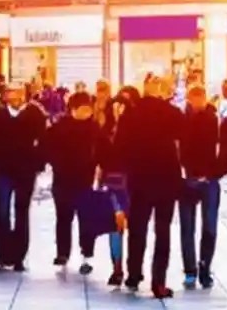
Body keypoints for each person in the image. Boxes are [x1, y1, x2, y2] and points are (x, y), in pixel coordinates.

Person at [115, 74, 184, 298]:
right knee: (162, 231)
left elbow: (120, 147)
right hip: (166, 179)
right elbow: (184, 136)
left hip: (139, 180)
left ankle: (134, 275)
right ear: (161, 90)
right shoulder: (172, 113)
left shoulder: (131, 114)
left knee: (137, 229)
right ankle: (159, 282)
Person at [0, 80, 47, 272]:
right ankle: (2, 253)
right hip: (2, 169)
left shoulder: (35, 114)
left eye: (16, 92)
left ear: (24, 94)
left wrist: (38, 163)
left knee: (21, 211)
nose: (12, 96)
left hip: (25, 171)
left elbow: (43, 140)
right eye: (9, 92)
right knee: (1, 211)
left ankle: (19, 255)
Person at [45, 91, 103, 271]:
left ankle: (86, 253)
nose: (86, 113)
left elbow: (103, 152)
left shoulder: (94, 129)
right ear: (73, 110)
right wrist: (56, 163)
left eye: (88, 110)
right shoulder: (60, 127)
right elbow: (46, 149)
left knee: (86, 218)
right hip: (62, 180)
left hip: (85, 180)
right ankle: (62, 252)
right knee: (63, 217)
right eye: (83, 109)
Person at [179, 83, 224, 288]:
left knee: (209, 226)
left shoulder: (213, 118)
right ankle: (191, 269)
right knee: (188, 227)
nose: (196, 103)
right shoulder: (183, 119)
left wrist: (213, 172)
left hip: (207, 178)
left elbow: (219, 147)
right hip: (189, 178)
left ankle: (203, 266)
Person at [97, 85, 138, 286]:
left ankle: (129, 268)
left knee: (132, 227)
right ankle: (118, 268)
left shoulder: (135, 132)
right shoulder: (106, 133)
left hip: (131, 182)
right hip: (114, 183)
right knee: (116, 226)